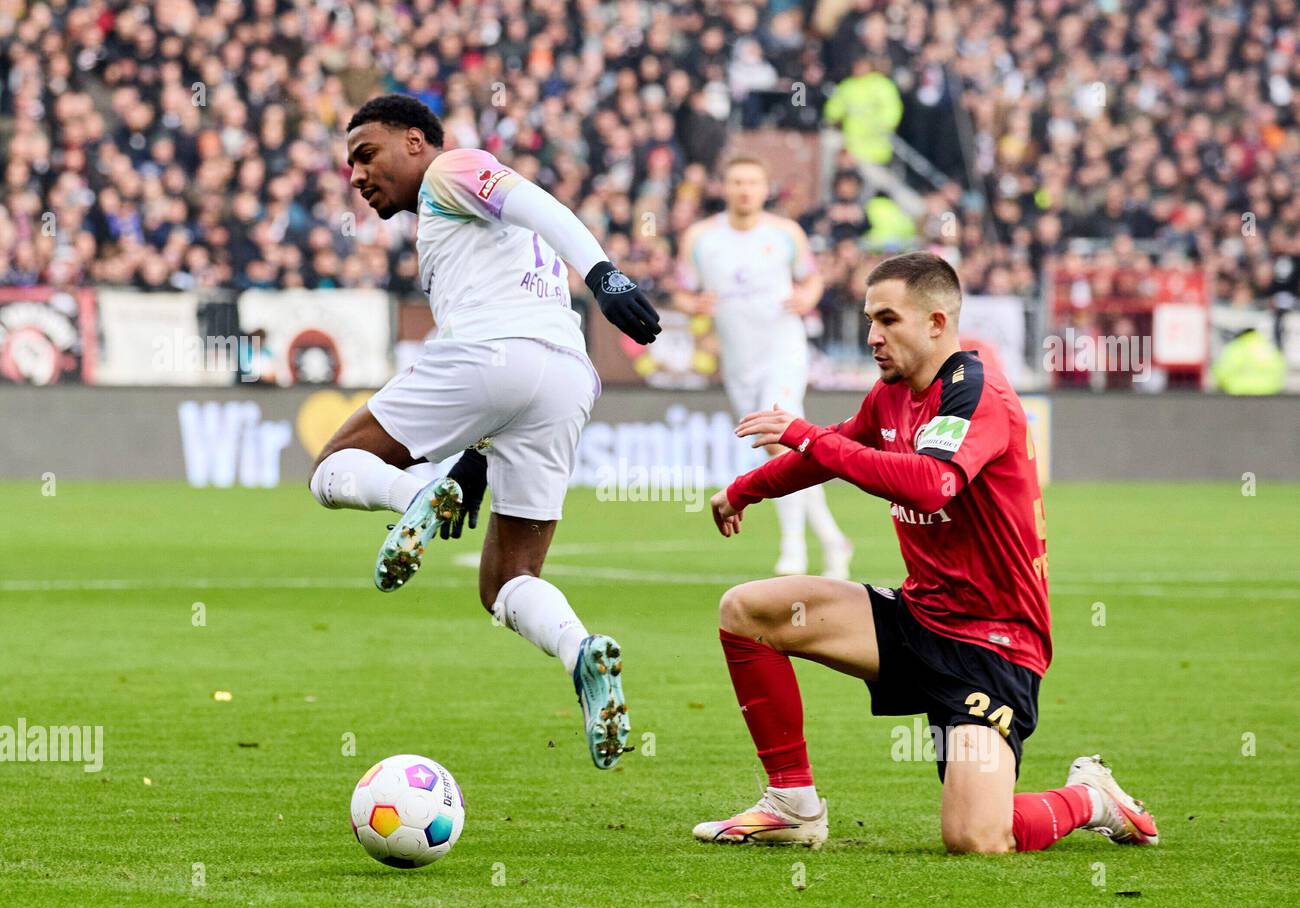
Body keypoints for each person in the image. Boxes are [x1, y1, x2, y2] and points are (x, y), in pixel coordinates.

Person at [695, 251, 1158, 852]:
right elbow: (833, 449)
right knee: (747, 611)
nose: (872, 337)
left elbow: (930, 482)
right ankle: (792, 805)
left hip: (994, 645)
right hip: (918, 618)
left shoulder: (978, 394)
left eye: (888, 320)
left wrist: (803, 433)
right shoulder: (892, 394)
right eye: (869, 320)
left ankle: (1091, 797)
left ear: (937, 322)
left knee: (976, 838)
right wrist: (743, 492)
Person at [309, 94, 661, 770]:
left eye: (366, 154)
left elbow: (542, 205)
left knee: (333, 467)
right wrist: (475, 456)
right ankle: (580, 651)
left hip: (490, 354)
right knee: (507, 577)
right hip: (562, 379)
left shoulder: (451, 169)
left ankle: (411, 493)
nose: (356, 174)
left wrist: (604, 275)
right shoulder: (453, 217)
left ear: (415, 140)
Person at [675, 156, 854, 578]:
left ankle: (793, 548)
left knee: (780, 438)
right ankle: (832, 539)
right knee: (789, 447)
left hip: (783, 349)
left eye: (752, 182)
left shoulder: (785, 232)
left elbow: (811, 279)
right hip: (739, 359)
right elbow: (681, 292)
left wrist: (808, 297)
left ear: (763, 188)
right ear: (725, 187)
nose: (744, 189)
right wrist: (693, 304)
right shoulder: (701, 238)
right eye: (737, 181)